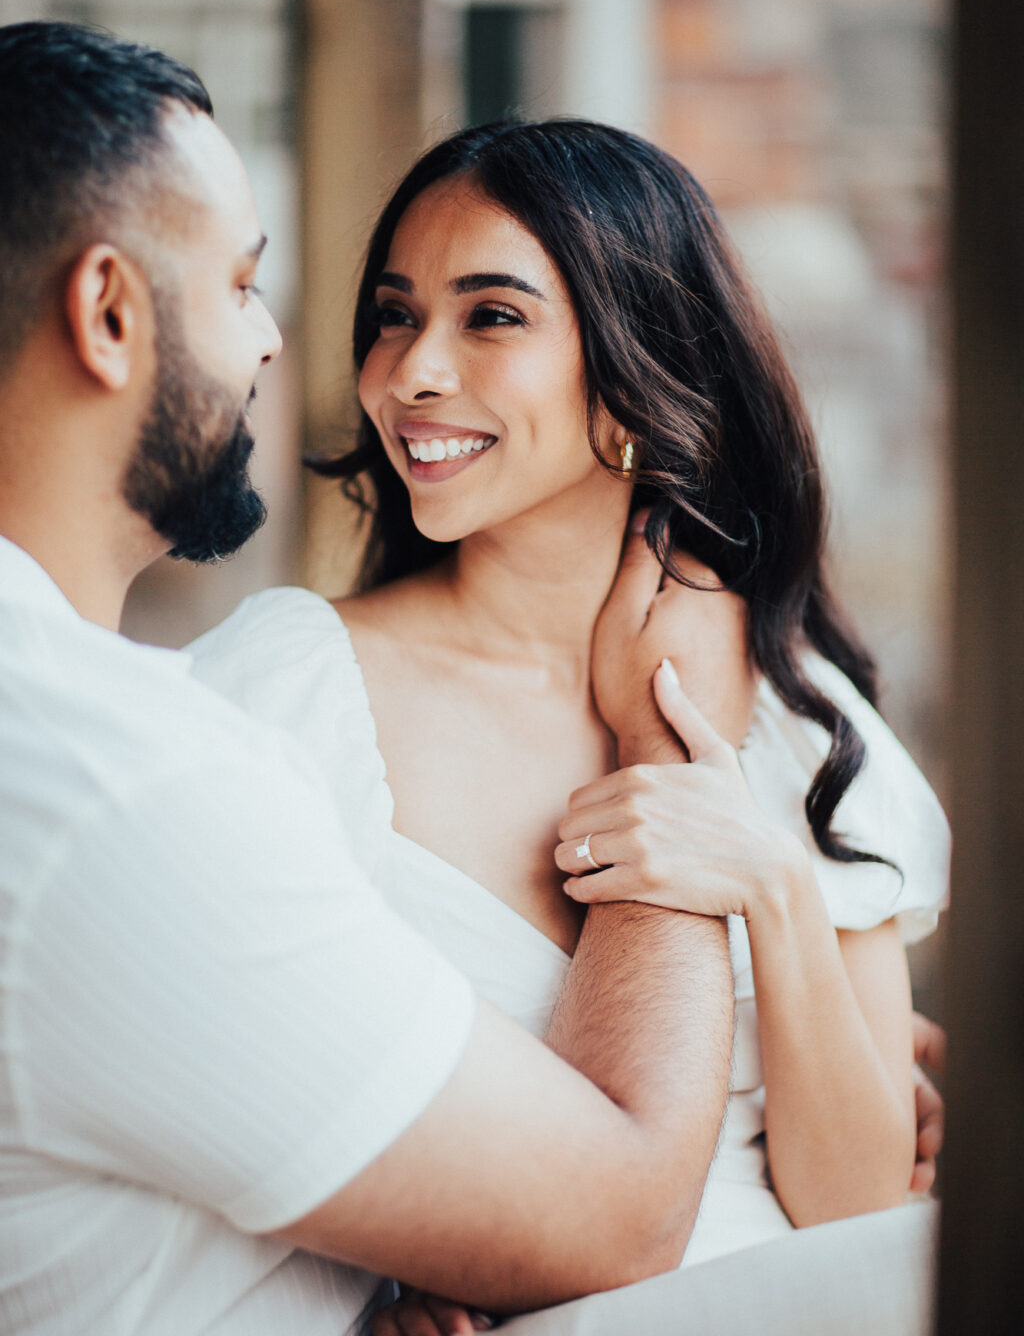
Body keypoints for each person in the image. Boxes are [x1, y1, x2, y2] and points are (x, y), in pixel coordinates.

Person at [186, 119, 950, 1334]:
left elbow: (857, 1202)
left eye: (490, 316)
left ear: (638, 369)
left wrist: (767, 884)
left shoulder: (798, 709)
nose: (410, 372)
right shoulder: (294, 690)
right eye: (394, 313)